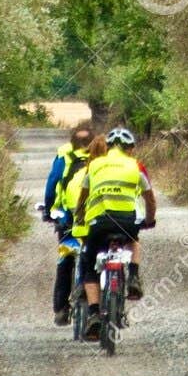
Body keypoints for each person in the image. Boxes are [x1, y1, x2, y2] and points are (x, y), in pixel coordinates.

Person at [73, 128, 156, 340]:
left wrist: (80, 219)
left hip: (99, 223)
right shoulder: (135, 166)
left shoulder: (95, 165)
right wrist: (149, 220)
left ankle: (93, 314)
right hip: (126, 224)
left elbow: (82, 198)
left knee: (90, 264)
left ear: (108, 147)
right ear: (129, 149)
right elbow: (150, 199)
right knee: (134, 242)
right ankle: (134, 278)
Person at [44, 123, 92, 325]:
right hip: (94, 219)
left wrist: (48, 212)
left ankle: (61, 309)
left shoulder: (63, 155)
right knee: (94, 257)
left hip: (68, 220)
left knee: (65, 260)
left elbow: (52, 185)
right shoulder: (100, 156)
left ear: (72, 141)